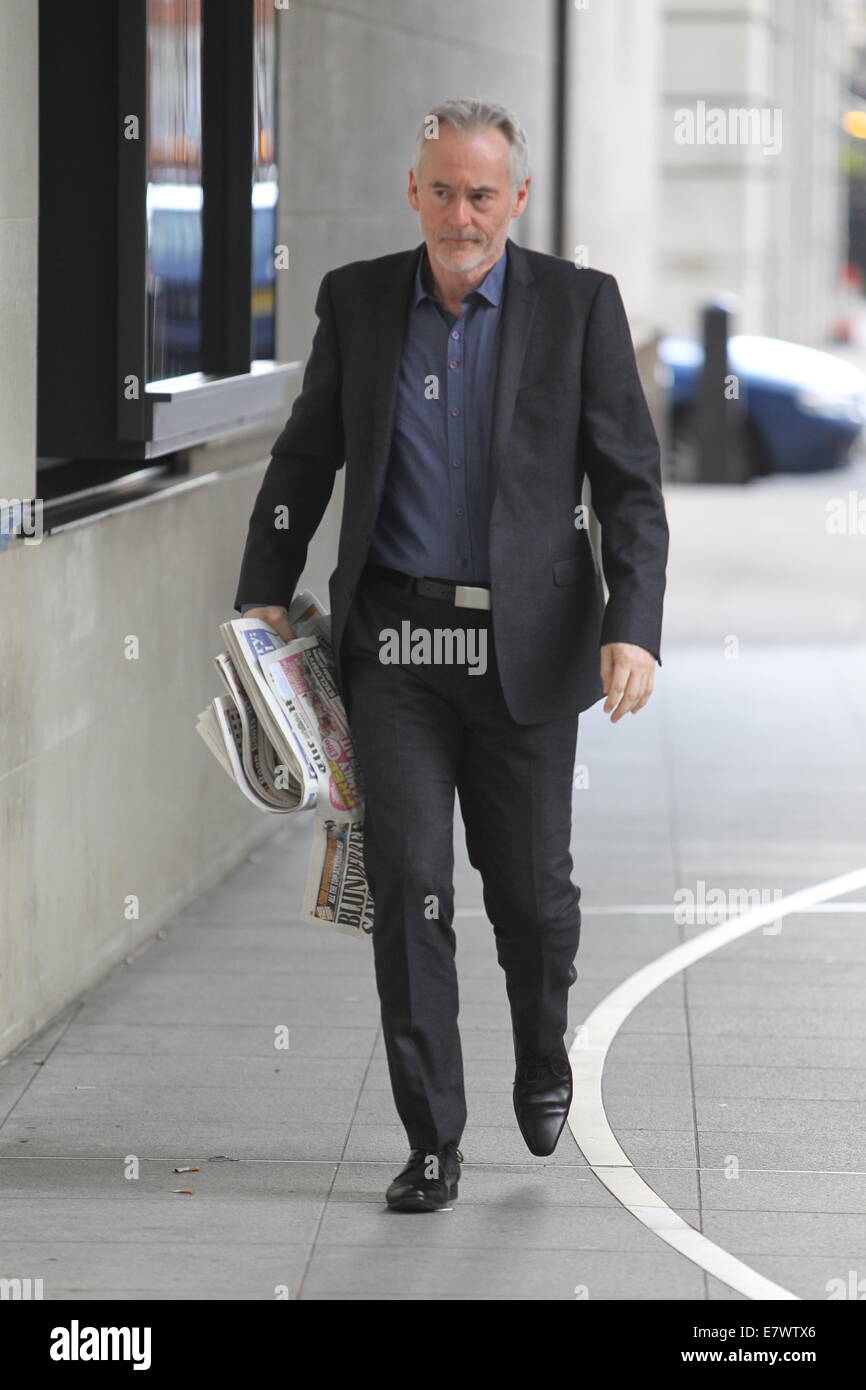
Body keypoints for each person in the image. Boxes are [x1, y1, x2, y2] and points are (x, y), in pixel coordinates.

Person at [234, 98, 669, 1212]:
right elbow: (304, 461)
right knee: (411, 884)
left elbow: (628, 483)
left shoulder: (578, 306)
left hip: (528, 646)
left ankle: (540, 1047)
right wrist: (261, 597)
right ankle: (432, 1138)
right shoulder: (359, 300)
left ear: (516, 198)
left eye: (481, 194)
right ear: (413, 192)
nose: (460, 215)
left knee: (531, 896)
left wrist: (631, 623)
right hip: (396, 649)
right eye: (442, 191)